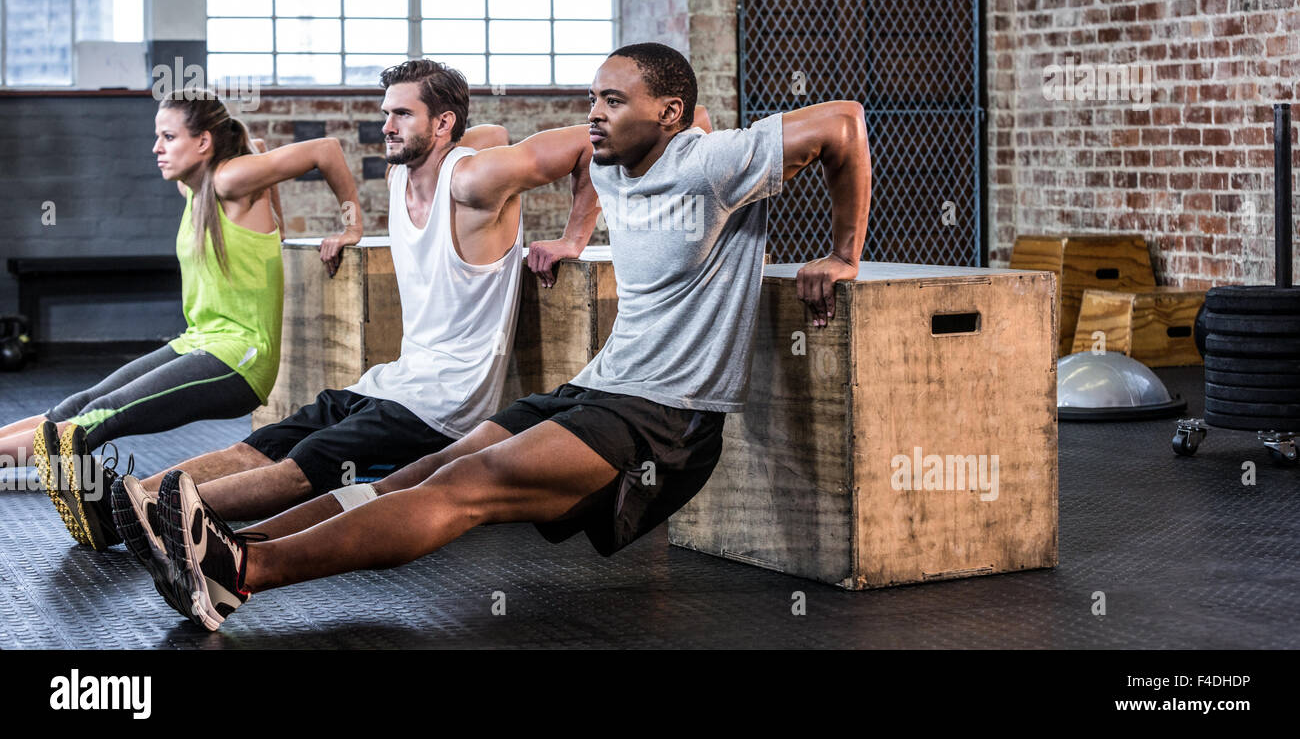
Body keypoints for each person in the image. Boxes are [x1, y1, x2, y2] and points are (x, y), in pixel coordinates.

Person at [117, 42, 872, 631]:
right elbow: (560, 153)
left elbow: (842, 124)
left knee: (463, 488)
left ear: (670, 112)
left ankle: (247, 567)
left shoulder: (712, 160)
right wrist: (578, 237)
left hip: (665, 414)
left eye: (614, 100)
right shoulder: (610, 161)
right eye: (592, 99)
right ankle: (212, 554)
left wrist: (842, 253)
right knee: (419, 472)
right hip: (598, 387)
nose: (595, 115)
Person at [102, 59, 602, 613]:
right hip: (391, 382)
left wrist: (573, 238)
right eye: (385, 112)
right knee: (266, 443)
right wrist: (352, 226)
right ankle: (134, 499)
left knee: (304, 465)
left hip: (443, 404)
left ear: (441, 124)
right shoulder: (402, 174)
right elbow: (493, 133)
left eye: (402, 115)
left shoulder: (474, 179)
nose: (386, 125)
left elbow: (587, 143)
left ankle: (155, 519)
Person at [0, 89, 363, 550]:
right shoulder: (193, 185)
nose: (156, 147)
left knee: (98, 417)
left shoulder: (230, 178)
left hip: (236, 359)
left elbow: (324, 149)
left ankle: (113, 515)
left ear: (204, 142)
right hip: (198, 342)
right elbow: (268, 187)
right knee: (76, 406)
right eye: (158, 136)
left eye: (168, 137)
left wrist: (351, 224)